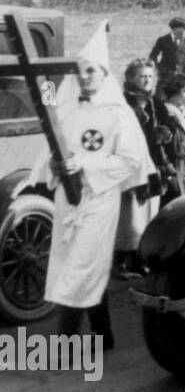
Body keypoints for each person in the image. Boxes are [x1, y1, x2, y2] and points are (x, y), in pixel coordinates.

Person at [35, 23, 153, 350]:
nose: (85, 77)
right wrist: (58, 167)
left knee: (82, 262)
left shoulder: (118, 114)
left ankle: (64, 343)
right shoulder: (68, 110)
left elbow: (130, 160)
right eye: (80, 72)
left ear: (104, 75)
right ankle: (103, 335)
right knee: (78, 261)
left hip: (99, 198)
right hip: (67, 198)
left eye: (91, 71)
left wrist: (85, 164)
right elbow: (52, 151)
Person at [115, 58, 172, 276]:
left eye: (150, 76)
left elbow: (167, 124)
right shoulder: (123, 102)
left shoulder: (155, 102)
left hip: (153, 165)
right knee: (128, 218)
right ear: (130, 78)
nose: (147, 80)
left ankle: (140, 259)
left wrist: (165, 132)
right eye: (142, 76)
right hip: (132, 165)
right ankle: (120, 262)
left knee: (147, 215)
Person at [159, 73, 185, 196]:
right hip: (175, 167)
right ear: (174, 91)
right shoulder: (165, 113)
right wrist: (170, 170)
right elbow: (159, 146)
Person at [149, 16, 185, 83]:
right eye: (184, 29)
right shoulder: (163, 40)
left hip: (181, 75)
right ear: (176, 29)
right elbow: (153, 56)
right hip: (165, 75)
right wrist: (156, 70)